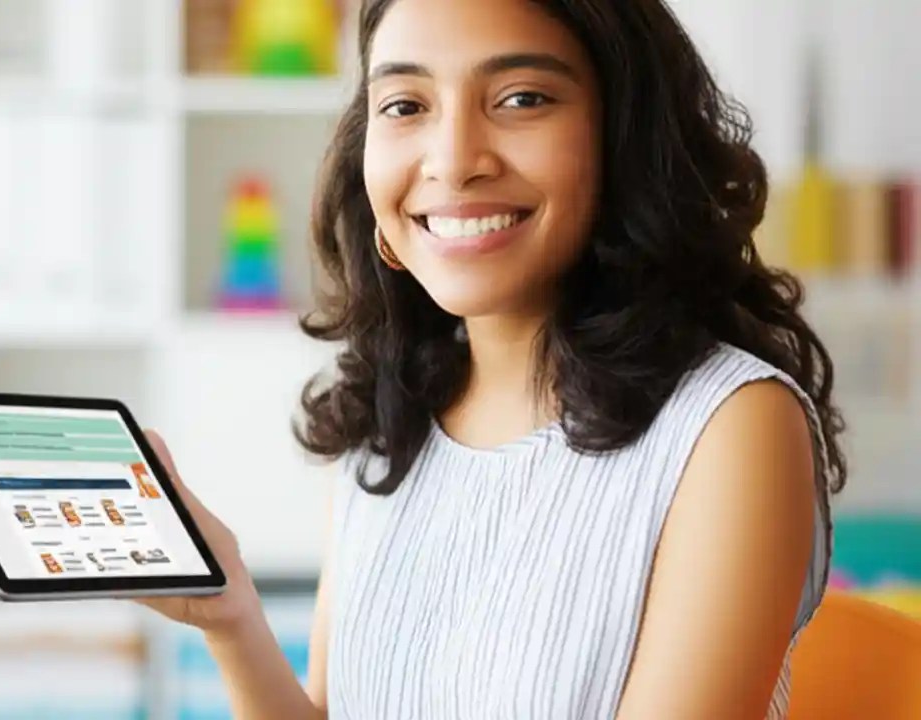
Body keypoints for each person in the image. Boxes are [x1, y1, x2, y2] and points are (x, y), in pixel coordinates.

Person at [139, 0, 846, 717]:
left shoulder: (731, 426)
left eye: (521, 98)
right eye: (406, 104)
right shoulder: (390, 427)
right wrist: (231, 619)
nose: (453, 161)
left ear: (623, 137)